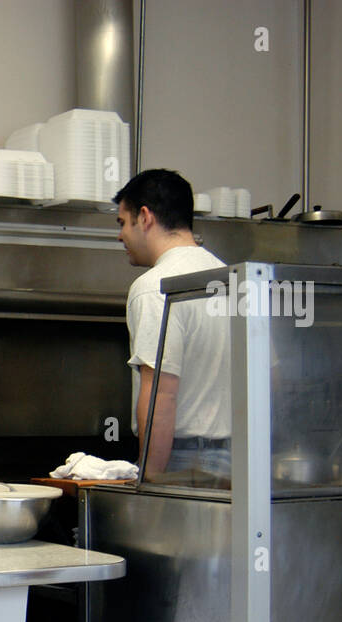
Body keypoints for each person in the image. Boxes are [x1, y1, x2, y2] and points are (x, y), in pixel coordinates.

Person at [113, 169, 229, 477]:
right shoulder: (235, 281)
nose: (120, 235)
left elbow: (160, 395)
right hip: (238, 459)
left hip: (182, 461)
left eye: (123, 222)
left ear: (145, 217)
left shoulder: (155, 287)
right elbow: (268, 379)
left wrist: (149, 480)